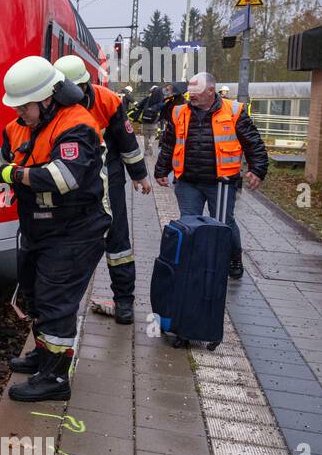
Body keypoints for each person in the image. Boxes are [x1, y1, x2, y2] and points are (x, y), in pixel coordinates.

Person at [0, 55, 108, 403]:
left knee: (56, 301)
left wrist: (9, 174)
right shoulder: (19, 126)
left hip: (75, 231)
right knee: (37, 296)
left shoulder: (77, 125)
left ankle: (55, 377)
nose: (19, 112)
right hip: (39, 228)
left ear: (47, 98)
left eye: (24, 106)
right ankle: (44, 355)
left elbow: (64, 178)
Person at [55, 54, 151, 325]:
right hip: (73, 179)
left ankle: (123, 302)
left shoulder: (108, 100)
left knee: (117, 238)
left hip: (109, 177)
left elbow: (127, 140)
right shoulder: (54, 104)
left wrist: (140, 174)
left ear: (85, 84)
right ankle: (65, 302)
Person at [154, 71, 268, 280]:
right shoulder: (180, 112)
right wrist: (161, 169)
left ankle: (233, 257)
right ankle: (195, 264)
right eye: (189, 92)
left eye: (196, 93)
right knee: (189, 223)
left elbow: (254, 143)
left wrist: (257, 169)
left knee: (224, 224)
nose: (191, 96)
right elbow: (169, 143)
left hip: (222, 182)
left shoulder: (234, 111)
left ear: (211, 91)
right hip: (188, 181)